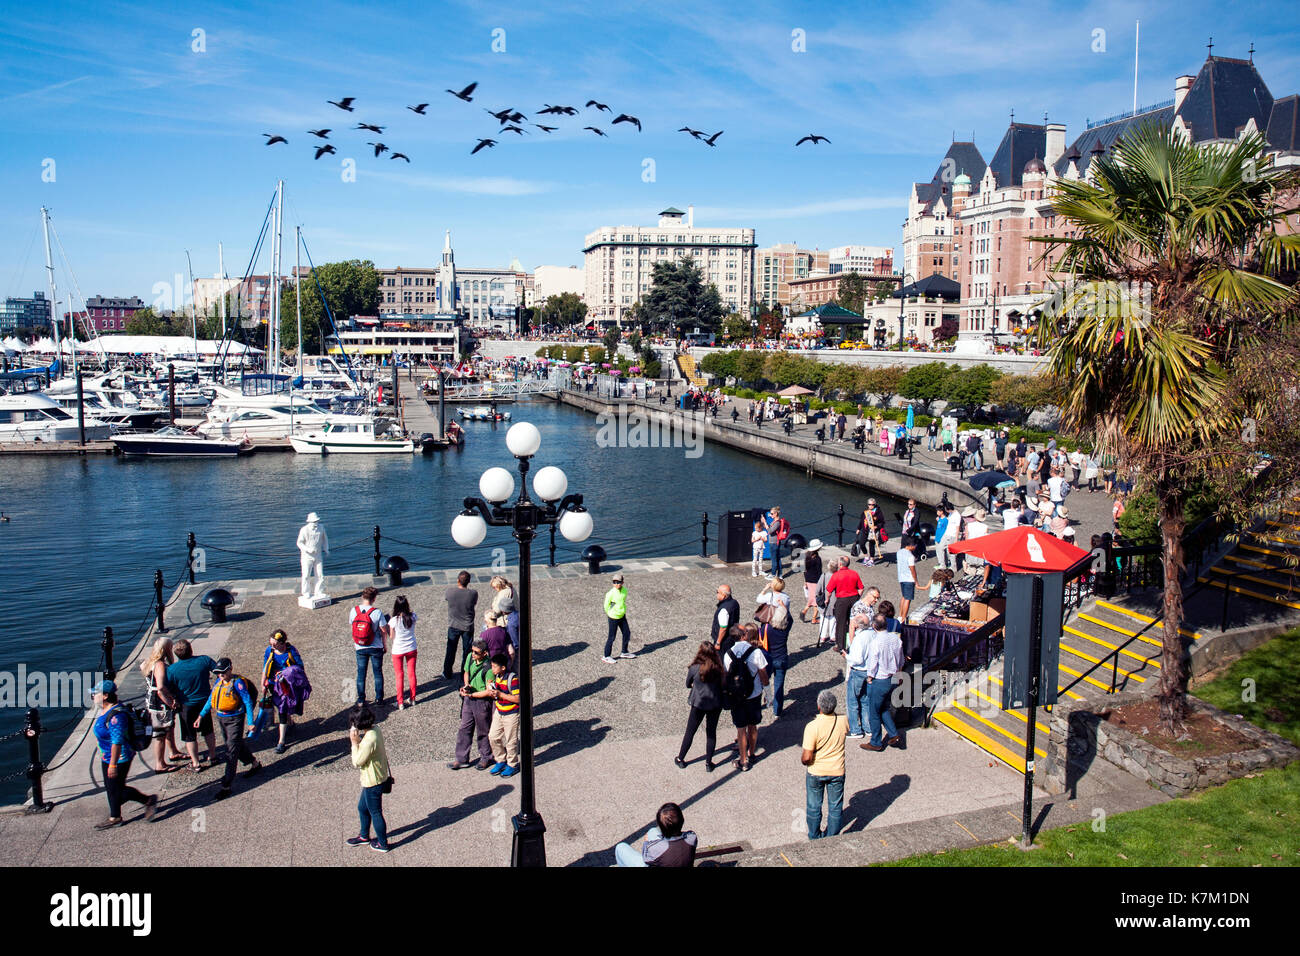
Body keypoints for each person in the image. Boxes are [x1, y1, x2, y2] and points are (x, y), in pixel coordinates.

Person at [91, 680, 158, 829]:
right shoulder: (107, 711)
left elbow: (117, 742)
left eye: (95, 694)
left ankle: (147, 801)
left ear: (105, 696)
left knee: (117, 790)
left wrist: (113, 765)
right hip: (107, 756)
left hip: (119, 758)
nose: (93, 696)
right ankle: (116, 816)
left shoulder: (116, 717)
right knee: (112, 789)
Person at [197, 658, 262, 801]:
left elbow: (247, 701)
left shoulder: (238, 683)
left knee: (231, 752)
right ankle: (254, 763)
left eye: (223, 673)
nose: (220, 676)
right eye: (218, 673)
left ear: (230, 669)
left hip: (235, 719)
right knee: (235, 744)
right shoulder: (218, 682)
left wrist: (250, 722)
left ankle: (226, 785)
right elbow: (210, 699)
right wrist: (201, 715)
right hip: (221, 718)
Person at [802, 689, 848, 840]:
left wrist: (805, 761)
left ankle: (815, 837)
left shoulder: (812, 727)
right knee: (835, 807)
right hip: (837, 770)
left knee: (814, 806)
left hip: (816, 771)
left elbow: (807, 757)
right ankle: (831, 838)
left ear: (819, 707)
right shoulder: (843, 721)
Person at [165, 638, 217, 772]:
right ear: (191, 650)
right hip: (204, 702)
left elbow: (168, 687)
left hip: (185, 705)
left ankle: (195, 763)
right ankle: (212, 755)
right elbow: (218, 670)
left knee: (189, 735)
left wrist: (174, 698)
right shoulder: (204, 660)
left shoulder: (172, 669)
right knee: (208, 730)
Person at [347, 705, 391, 853]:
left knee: (375, 812)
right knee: (362, 808)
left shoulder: (369, 740)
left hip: (373, 781)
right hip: (376, 777)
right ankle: (364, 835)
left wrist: (354, 743)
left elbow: (357, 761)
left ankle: (383, 843)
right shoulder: (375, 729)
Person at [724, 626, 769, 772]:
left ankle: (743, 760)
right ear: (743, 636)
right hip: (754, 694)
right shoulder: (755, 652)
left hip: (737, 696)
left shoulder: (727, 654)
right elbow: (763, 674)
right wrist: (768, 693)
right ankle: (752, 753)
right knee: (753, 725)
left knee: (741, 729)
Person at [859, 613, 906, 751]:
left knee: (874, 711)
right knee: (884, 707)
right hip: (894, 677)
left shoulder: (875, 642)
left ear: (874, 626)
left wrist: (869, 676)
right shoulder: (895, 638)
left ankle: (876, 742)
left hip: (881, 679)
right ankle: (893, 734)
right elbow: (901, 658)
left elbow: (873, 662)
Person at [139, 638, 186, 773]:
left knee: (168, 728)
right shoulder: (160, 665)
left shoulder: (147, 663)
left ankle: (173, 751)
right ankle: (160, 764)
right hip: (160, 703)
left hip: (150, 700)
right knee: (159, 734)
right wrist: (171, 702)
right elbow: (160, 688)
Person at [447, 638, 494, 770]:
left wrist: (472, 694)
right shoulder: (470, 657)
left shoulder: (489, 669)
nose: (473, 654)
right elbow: (466, 671)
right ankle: (461, 759)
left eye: (476, 653)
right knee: (464, 728)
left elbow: (489, 691)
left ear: (484, 654)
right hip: (469, 699)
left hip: (481, 701)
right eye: (472, 651)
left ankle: (486, 757)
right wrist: (466, 685)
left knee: (483, 730)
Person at [676, 642, 724, 770]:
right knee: (711, 733)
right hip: (715, 703)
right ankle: (708, 763)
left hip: (698, 703)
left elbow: (688, 683)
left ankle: (681, 758)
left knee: (690, 732)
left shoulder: (695, 668)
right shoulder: (719, 668)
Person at [614, 802, 698, 867]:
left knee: (620, 847)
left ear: (661, 828)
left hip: (657, 854)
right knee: (652, 831)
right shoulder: (692, 837)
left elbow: (646, 858)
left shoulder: (656, 848)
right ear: (682, 820)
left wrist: (646, 842)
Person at [261, 628, 304, 754]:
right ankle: (290, 723)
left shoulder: (291, 651)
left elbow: (300, 666)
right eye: (271, 644)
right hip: (273, 685)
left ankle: (281, 741)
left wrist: (285, 672)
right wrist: (263, 683)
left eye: (274, 644)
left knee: (282, 710)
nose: (272, 646)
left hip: (286, 686)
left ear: (282, 643)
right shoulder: (269, 651)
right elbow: (265, 667)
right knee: (280, 707)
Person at [755, 578, 792, 717]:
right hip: (781, 657)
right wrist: (784, 608)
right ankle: (777, 710)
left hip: (767, 656)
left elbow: (759, 599)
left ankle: (759, 705)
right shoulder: (785, 628)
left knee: (762, 681)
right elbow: (790, 619)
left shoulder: (766, 628)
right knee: (779, 685)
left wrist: (766, 588)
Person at [349, 586, 389, 706]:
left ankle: (361, 699)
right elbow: (383, 630)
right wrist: (384, 644)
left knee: (361, 673)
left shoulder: (354, 610)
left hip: (360, 646)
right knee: (377, 673)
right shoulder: (377, 612)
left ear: (362, 596)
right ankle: (379, 699)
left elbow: (353, 626)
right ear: (374, 599)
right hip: (375, 647)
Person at [486, 653, 521, 777]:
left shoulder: (513, 679)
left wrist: (500, 694)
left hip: (511, 713)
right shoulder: (497, 677)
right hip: (499, 711)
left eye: (495, 666)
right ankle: (500, 759)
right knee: (493, 736)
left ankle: (512, 764)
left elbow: (517, 698)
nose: (492, 669)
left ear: (503, 667)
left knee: (511, 741)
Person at [443, 570, 479, 680]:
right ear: (468, 581)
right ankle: (465, 672)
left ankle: (447, 672)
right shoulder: (473, 593)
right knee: (467, 651)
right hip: (467, 626)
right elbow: (474, 603)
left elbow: (447, 599)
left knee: (451, 649)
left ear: (458, 580)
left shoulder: (450, 592)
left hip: (453, 625)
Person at [826, 555, 864, 652]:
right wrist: (858, 598)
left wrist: (827, 600)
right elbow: (861, 588)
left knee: (841, 623)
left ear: (840, 564)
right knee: (854, 622)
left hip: (842, 600)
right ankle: (855, 643)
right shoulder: (854, 573)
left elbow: (829, 591)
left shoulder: (836, 575)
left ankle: (840, 646)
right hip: (854, 598)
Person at [389, 596, 418, 709]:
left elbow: (392, 637)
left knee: (399, 675)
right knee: (412, 673)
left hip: (398, 650)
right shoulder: (413, 616)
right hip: (411, 648)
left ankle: (400, 702)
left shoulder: (393, 620)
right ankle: (413, 698)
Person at [602, 573, 635, 663]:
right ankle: (606, 656)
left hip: (622, 616)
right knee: (612, 637)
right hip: (613, 617)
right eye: (614, 582)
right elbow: (606, 606)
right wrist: (610, 613)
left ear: (622, 582)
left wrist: (622, 610)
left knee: (627, 633)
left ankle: (624, 652)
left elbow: (622, 601)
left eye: (618, 582)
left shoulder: (625, 591)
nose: (616, 584)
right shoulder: (610, 593)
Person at [490, 576, 519, 656]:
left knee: (510, 639)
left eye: (495, 587)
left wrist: (492, 610)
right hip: (513, 616)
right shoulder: (511, 588)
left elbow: (498, 609)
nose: (494, 589)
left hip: (505, 620)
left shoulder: (504, 593)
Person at [800, 539, 824, 624]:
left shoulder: (806, 556)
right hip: (815, 581)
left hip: (808, 580)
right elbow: (819, 572)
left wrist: (805, 581)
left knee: (812, 597)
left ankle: (804, 611)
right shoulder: (817, 559)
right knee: (817, 600)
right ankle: (813, 618)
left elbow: (804, 570)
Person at [711, 584, 740, 648]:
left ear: (724, 595)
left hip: (723, 642)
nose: (717, 594)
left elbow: (723, 627)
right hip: (732, 637)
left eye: (718, 592)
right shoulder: (735, 603)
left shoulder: (724, 609)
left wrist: (718, 643)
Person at [896, 535, 918, 622]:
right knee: (908, 599)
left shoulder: (899, 552)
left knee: (904, 597)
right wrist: (916, 581)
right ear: (912, 545)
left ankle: (900, 615)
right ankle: (904, 618)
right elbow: (913, 570)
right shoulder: (910, 556)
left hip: (901, 578)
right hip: (909, 579)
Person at [765, 506, 789, 579]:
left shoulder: (777, 523)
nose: (771, 515)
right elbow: (771, 528)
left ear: (776, 514)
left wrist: (765, 523)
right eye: (770, 514)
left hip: (774, 543)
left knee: (774, 559)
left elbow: (769, 531)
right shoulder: (775, 522)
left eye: (772, 514)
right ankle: (780, 574)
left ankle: (773, 574)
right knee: (778, 558)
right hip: (776, 542)